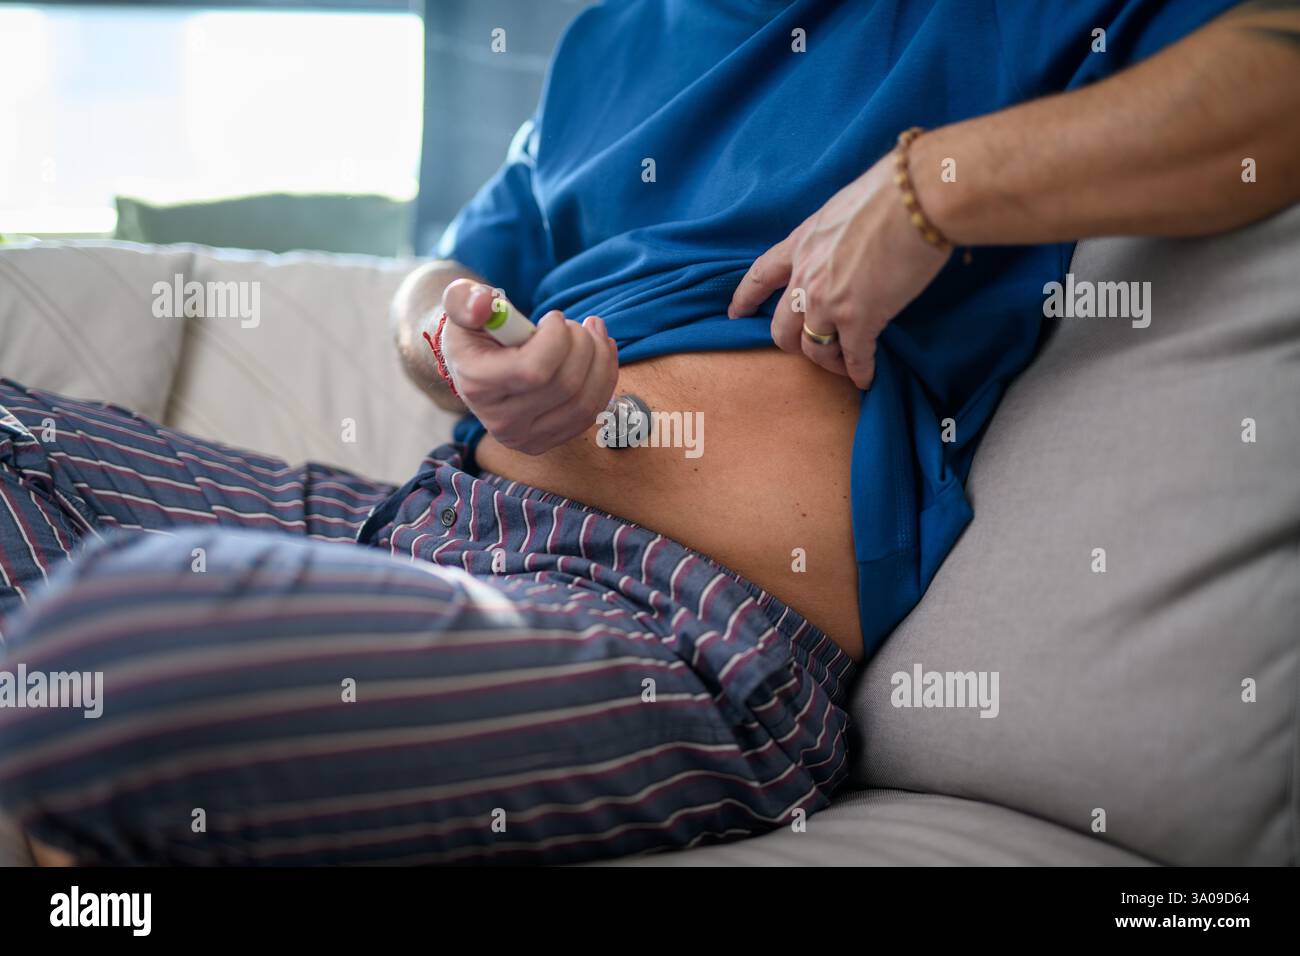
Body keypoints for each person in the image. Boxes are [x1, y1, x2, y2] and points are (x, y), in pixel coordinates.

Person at [1, 0, 1296, 865]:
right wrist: (458, 341)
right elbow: (447, 282)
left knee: (113, 645)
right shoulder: (610, 41)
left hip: (672, 621)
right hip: (413, 528)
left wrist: (929, 188)